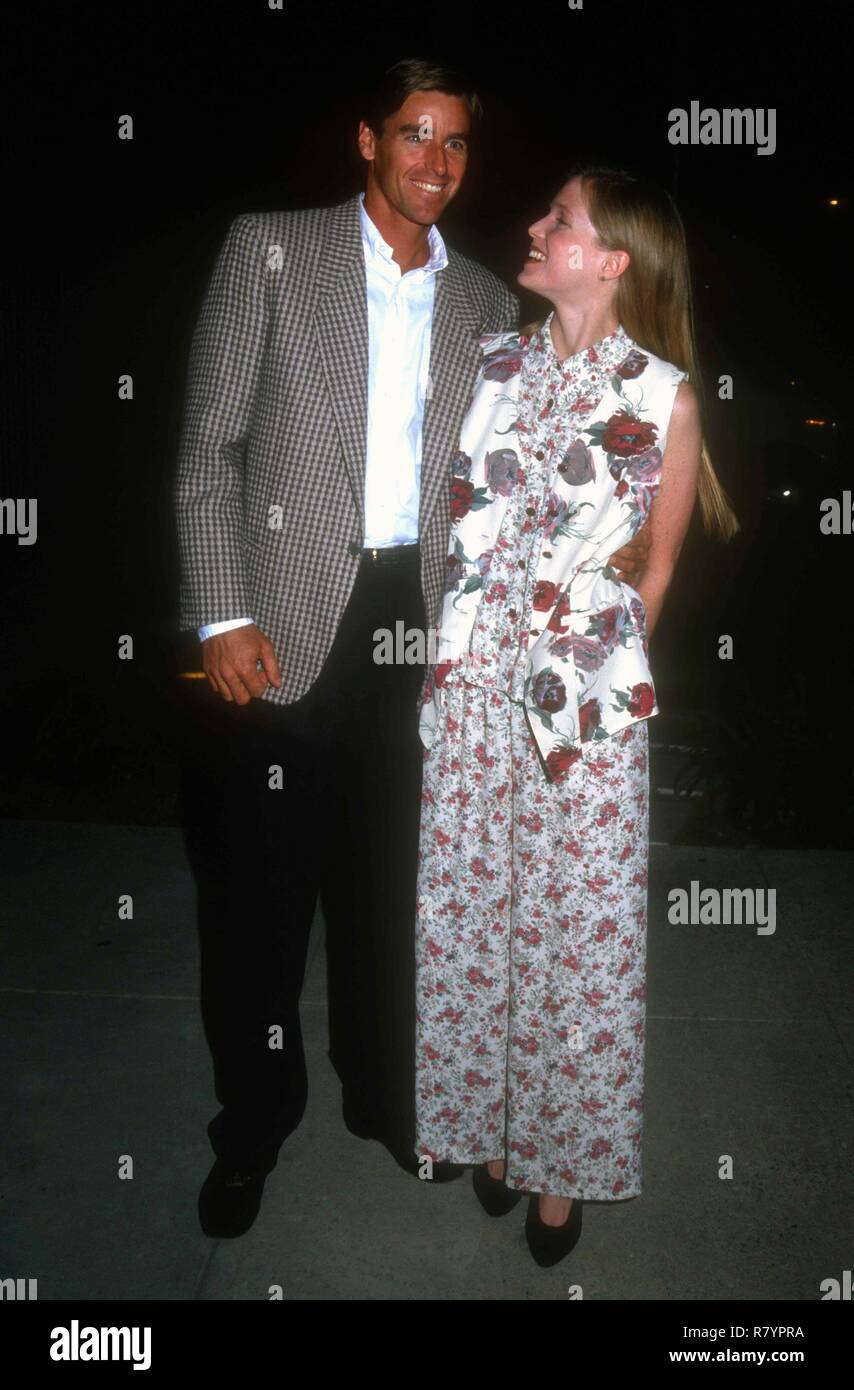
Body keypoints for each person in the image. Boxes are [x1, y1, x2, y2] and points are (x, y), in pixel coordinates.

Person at [175, 60, 647, 1240]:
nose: (434, 161)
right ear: (366, 142)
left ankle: (391, 1103)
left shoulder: (491, 300)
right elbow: (206, 445)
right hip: (283, 616)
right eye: (412, 135)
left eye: (453, 144)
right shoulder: (269, 249)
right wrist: (221, 611)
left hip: (427, 636)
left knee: (400, 898)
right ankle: (251, 1127)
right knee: (258, 908)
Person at [414, 164, 738, 1266]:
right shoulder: (493, 365)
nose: (536, 226)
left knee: (579, 954)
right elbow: (459, 530)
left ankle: (564, 1170)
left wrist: (586, 688)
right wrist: (450, 669)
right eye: (546, 211)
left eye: (562, 220)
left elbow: (651, 580)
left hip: (580, 722)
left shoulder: (663, 396)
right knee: (477, 932)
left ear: (610, 262)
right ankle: (500, 1133)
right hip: (467, 704)